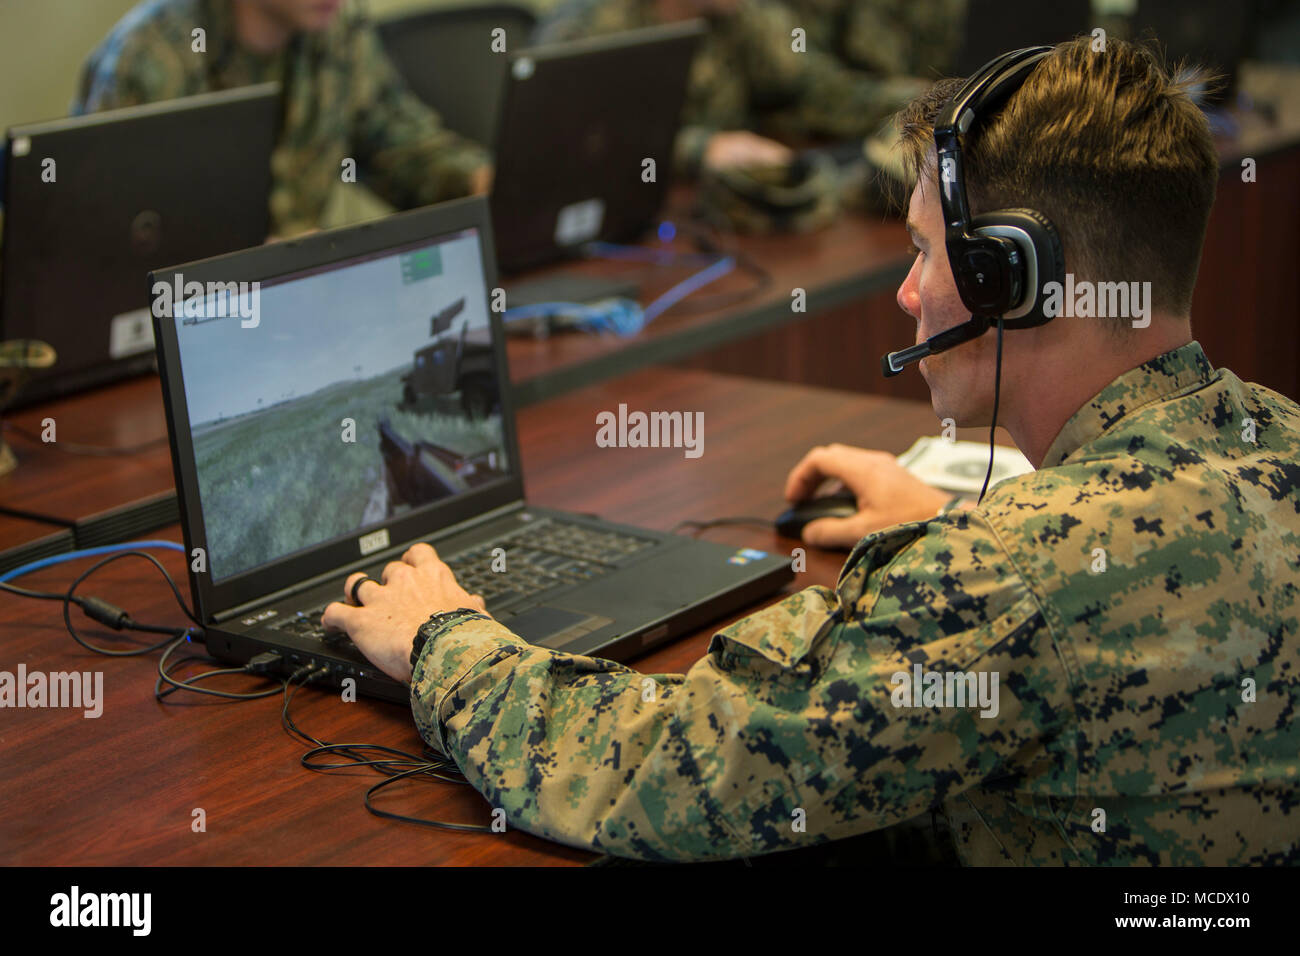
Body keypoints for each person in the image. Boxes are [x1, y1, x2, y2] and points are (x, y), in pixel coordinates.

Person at [322, 36, 1300, 865]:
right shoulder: (1277, 435)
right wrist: (946, 524)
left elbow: (674, 770)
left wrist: (441, 639)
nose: (907, 296)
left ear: (1012, 275)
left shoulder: (996, 579)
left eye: (923, 253)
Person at [73, 0, 492, 237]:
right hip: (186, 331)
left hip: (298, 311)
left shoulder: (337, 29)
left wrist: (482, 181)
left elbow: (400, 144)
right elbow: (110, 243)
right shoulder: (152, 56)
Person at [534, 0, 932, 177]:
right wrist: (703, 150)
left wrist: (923, 102)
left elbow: (817, 90)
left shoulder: (739, 16)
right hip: (616, 240)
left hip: (724, 220)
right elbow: (570, 145)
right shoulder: (587, 29)